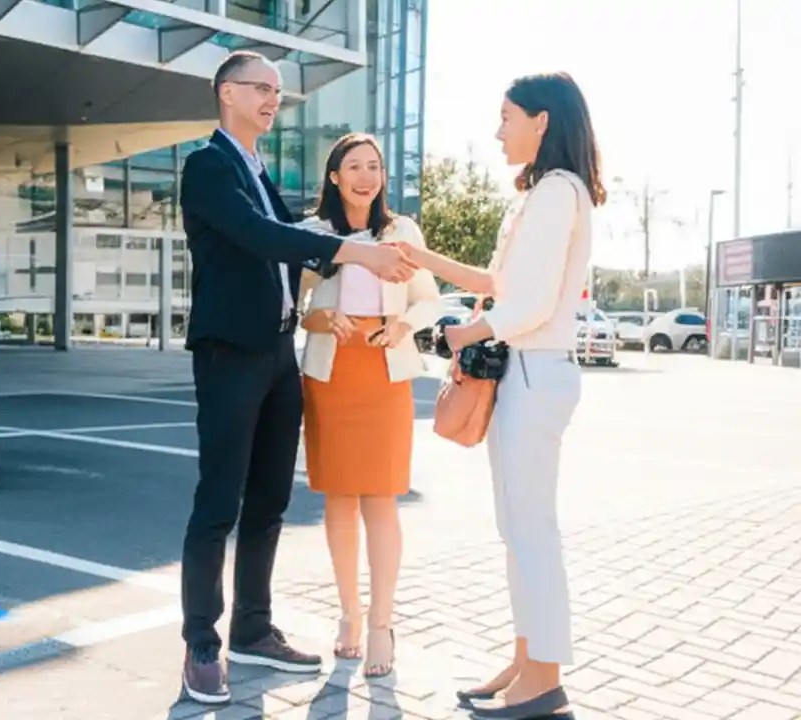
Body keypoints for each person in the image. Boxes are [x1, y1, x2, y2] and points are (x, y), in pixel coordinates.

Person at [177, 50, 419, 705]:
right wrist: (349, 249)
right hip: (230, 353)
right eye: (261, 88)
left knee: (268, 504)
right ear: (227, 93)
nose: (271, 100)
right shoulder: (207, 166)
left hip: (279, 356)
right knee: (218, 503)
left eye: (277, 93)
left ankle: (253, 628)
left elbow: (283, 245)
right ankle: (203, 643)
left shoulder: (256, 169)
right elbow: (259, 236)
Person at [391, 72, 605, 719]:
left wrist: (467, 331)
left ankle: (543, 680)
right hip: (530, 372)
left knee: (530, 530)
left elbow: (530, 304)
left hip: (536, 370)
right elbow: (499, 280)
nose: (498, 129)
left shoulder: (557, 193)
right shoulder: (543, 194)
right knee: (519, 528)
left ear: (543, 121)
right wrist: (423, 261)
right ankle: (526, 661)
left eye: (508, 116)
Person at [294, 132, 442, 678]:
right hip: (332, 375)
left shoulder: (401, 231)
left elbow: (429, 298)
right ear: (334, 177)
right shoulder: (313, 233)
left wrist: (404, 323)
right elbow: (297, 305)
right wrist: (321, 319)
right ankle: (349, 616)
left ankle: (382, 623)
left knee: (381, 500)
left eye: (374, 166)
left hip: (386, 371)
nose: (365, 176)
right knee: (338, 500)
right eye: (353, 166)